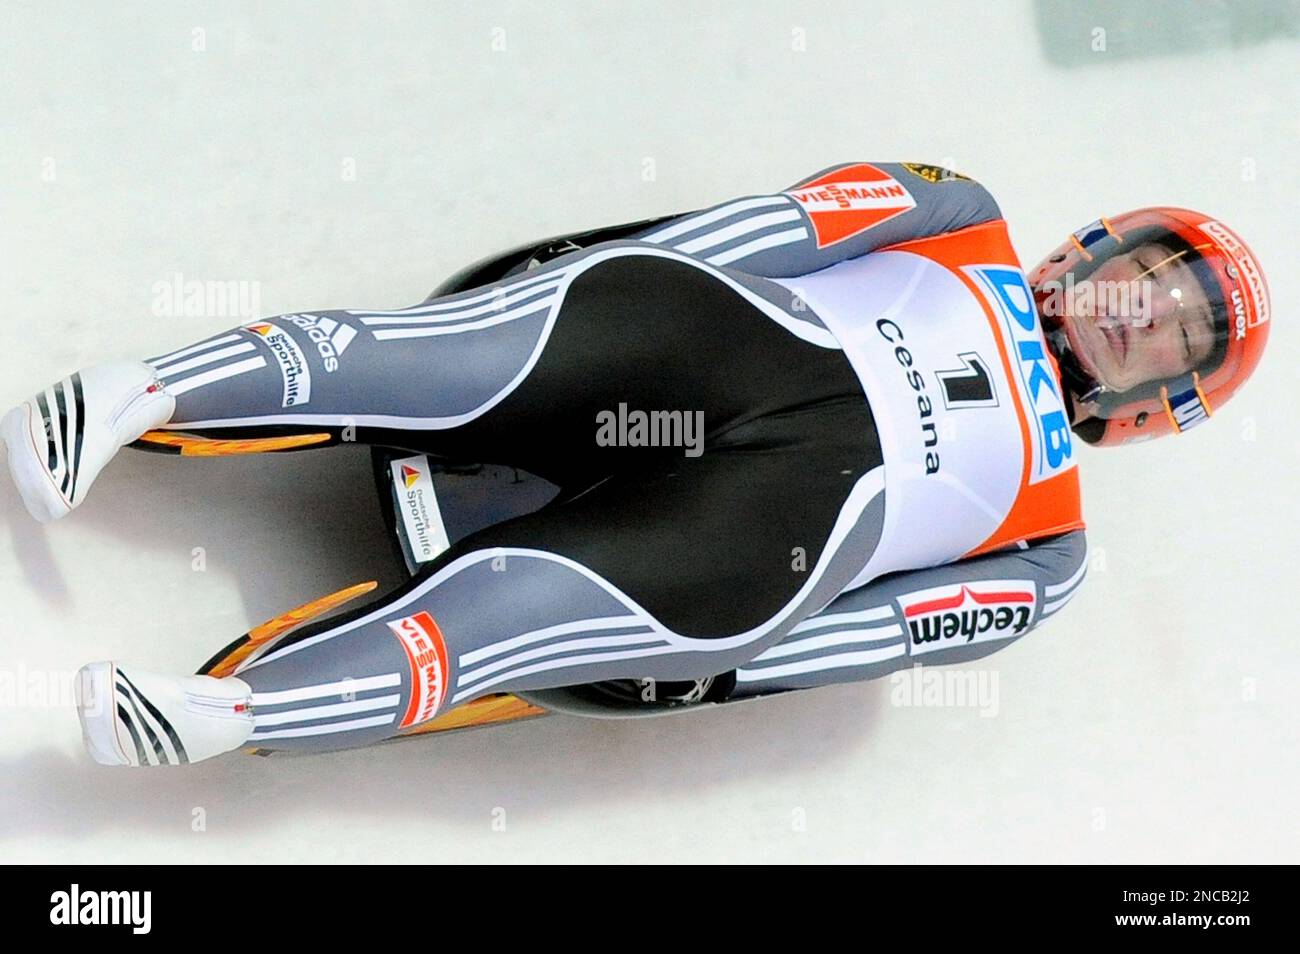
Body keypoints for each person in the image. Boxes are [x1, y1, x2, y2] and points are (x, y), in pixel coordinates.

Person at [1, 161, 1269, 766]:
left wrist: (705, 674)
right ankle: (134, 399)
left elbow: (873, 633)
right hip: (701, 353)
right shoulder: (956, 210)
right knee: (448, 360)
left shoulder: (1049, 556)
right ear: (1095, 247)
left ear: (1168, 394)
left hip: (764, 528)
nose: (1131, 310)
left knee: (511, 618)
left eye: (1169, 325)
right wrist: (579, 285)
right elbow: (759, 232)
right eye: (1140, 277)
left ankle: (230, 714)